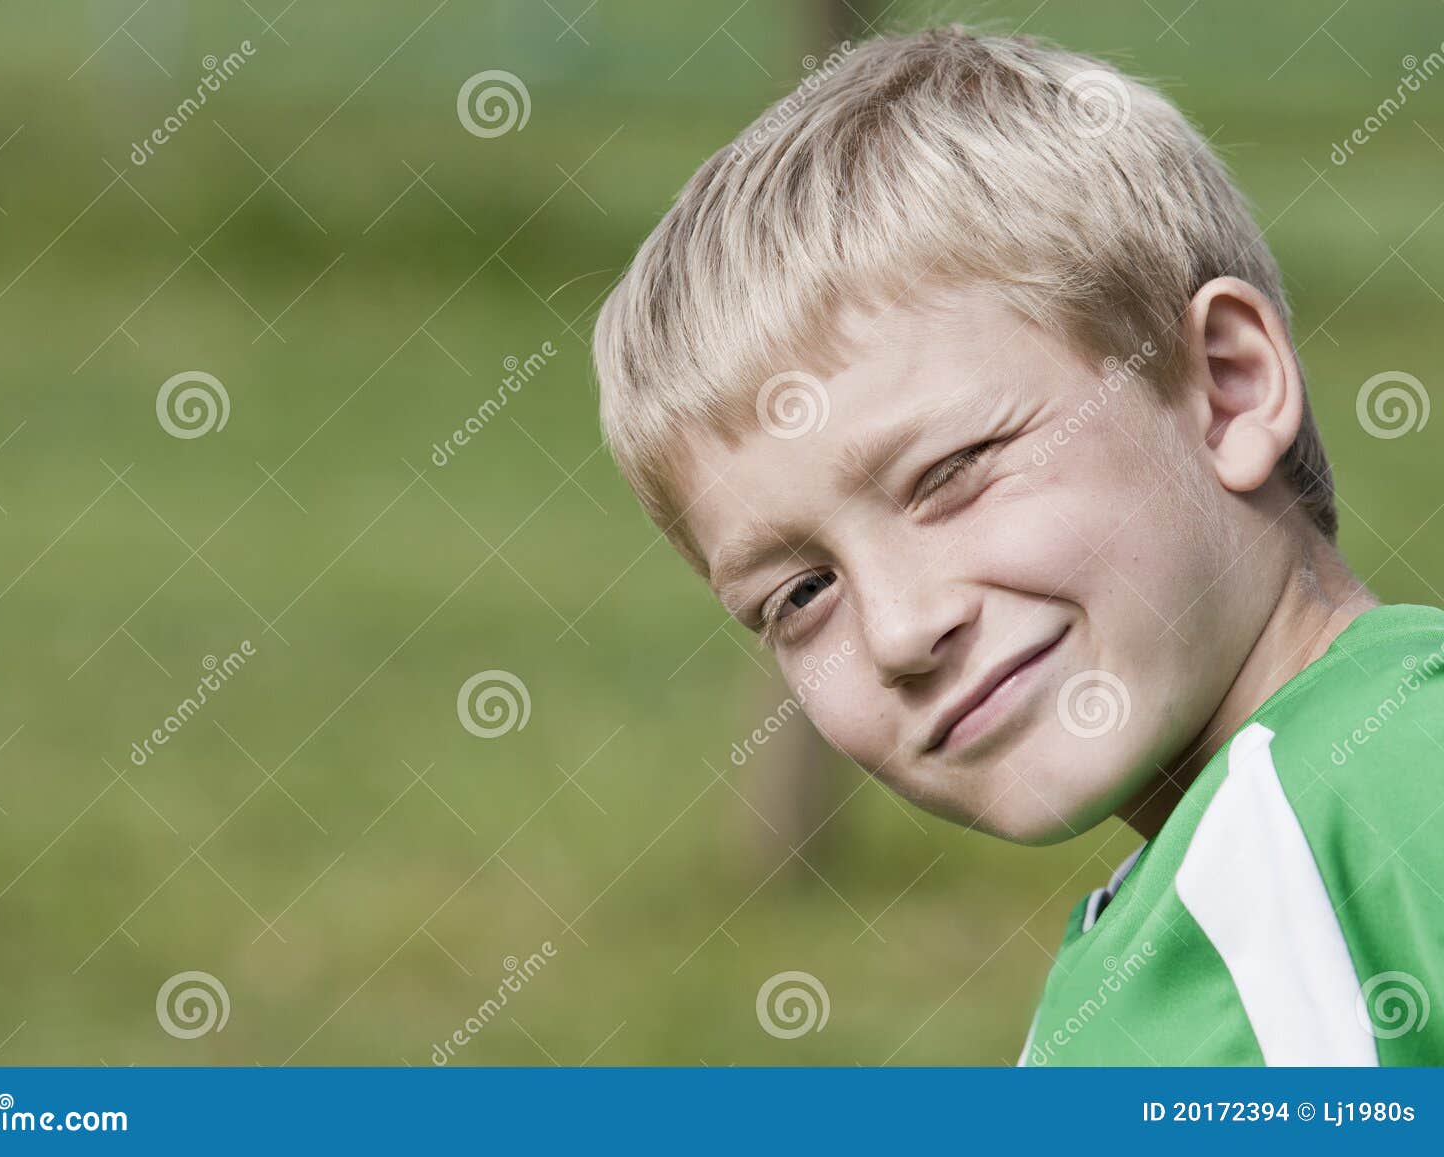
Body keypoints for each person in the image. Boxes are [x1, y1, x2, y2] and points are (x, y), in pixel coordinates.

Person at [591, 25, 1443, 1065]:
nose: (901, 629)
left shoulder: (1398, 773)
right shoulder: (1181, 905)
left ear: (1225, 385)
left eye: (949, 473)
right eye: (802, 592)